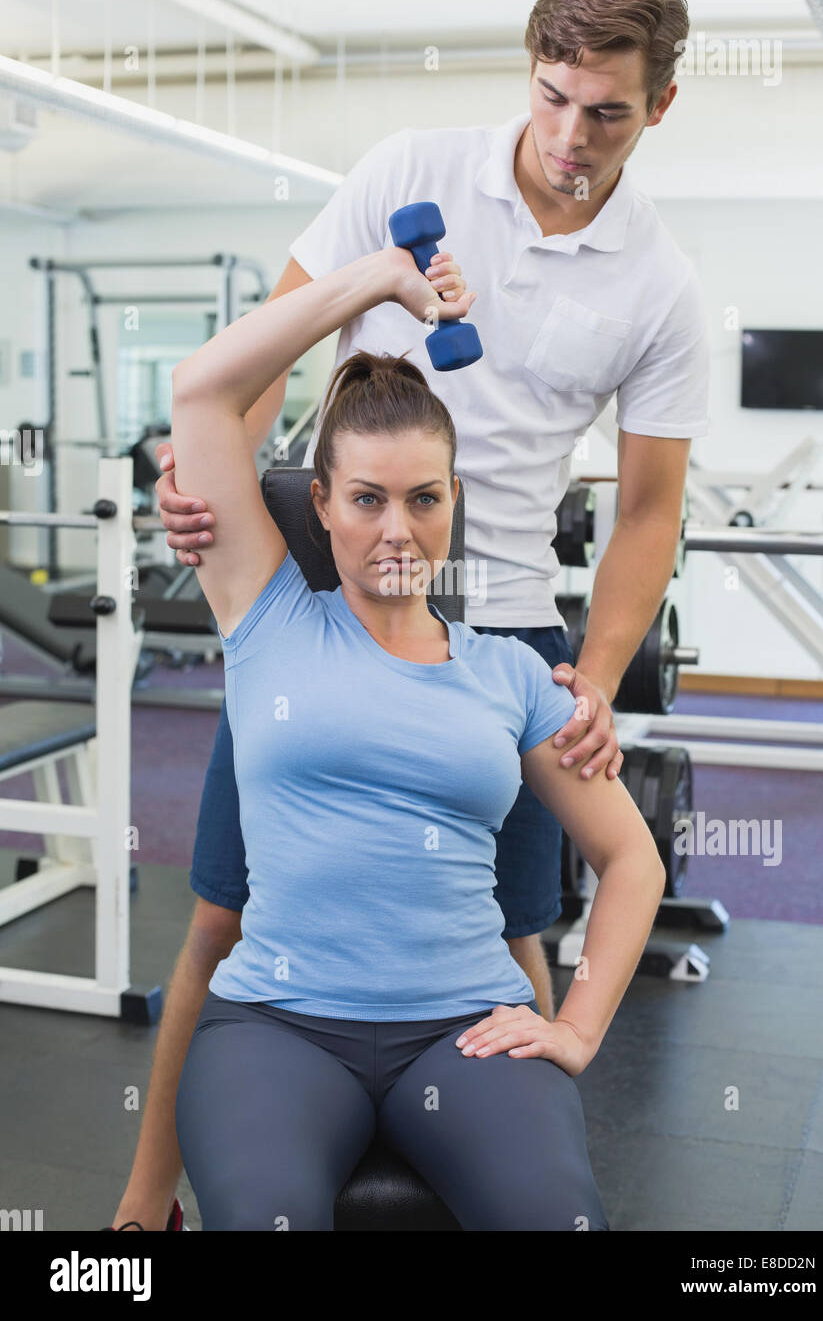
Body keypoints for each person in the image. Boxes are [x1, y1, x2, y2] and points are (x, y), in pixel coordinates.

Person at [109, 0, 708, 1230]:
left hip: (495, 609)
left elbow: (647, 510)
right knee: (226, 910)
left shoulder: (658, 285)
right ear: (528, 73)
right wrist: (203, 490)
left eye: (603, 112)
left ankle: (513, 1125)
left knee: (515, 921)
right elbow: (245, 370)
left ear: (656, 107)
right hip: (321, 576)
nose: (566, 135)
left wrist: (592, 681)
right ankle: (145, 1197)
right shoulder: (404, 173)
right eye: (550, 96)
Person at [167, 241, 666, 1230]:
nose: (397, 529)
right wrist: (379, 281)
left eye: (423, 498)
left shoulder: (512, 675)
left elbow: (629, 857)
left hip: (464, 1025)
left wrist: (573, 1027)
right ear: (320, 504)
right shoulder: (267, 615)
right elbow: (203, 390)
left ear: (451, 502)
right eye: (366, 498)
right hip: (278, 1024)